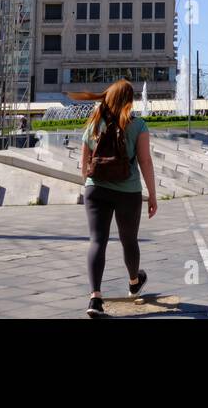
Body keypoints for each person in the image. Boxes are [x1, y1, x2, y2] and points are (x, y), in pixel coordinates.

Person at [81, 79, 158, 318]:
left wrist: (94, 182)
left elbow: (84, 166)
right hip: (128, 191)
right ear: (129, 101)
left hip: (96, 190)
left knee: (97, 241)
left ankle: (95, 298)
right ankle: (134, 281)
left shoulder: (95, 123)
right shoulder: (138, 125)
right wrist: (152, 195)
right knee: (129, 240)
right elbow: (145, 161)